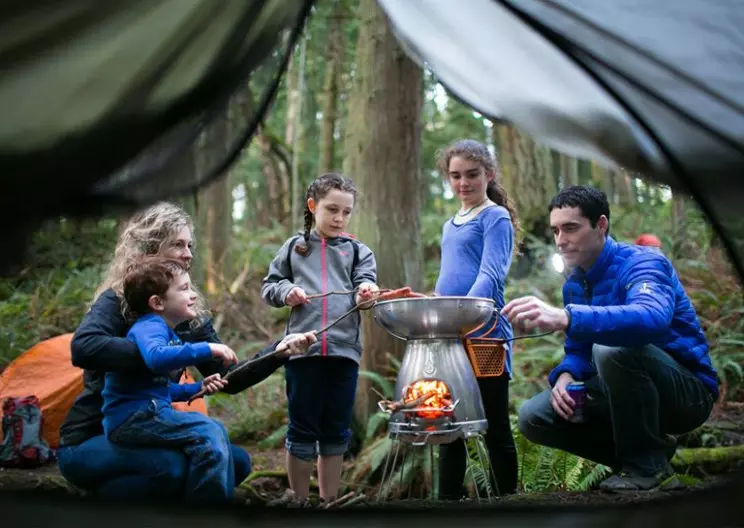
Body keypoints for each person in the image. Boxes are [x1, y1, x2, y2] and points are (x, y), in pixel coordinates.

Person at [58, 201, 317, 501]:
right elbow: (84, 347)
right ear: (151, 248)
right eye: (178, 244)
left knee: (236, 461)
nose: (189, 253)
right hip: (93, 436)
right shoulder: (118, 302)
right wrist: (161, 351)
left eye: (190, 245)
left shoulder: (185, 316)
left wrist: (279, 351)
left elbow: (229, 377)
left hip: (147, 429)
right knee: (171, 468)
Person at [503, 186, 719, 492]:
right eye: (555, 231)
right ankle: (649, 463)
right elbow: (578, 350)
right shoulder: (575, 284)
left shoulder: (643, 263)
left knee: (613, 349)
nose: (560, 241)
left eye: (571, 228)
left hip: (686, 394)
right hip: (623, 390)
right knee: (534, 417)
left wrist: (567, 317)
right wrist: (566, 375)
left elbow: (650, 317)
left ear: (601, 225)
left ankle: (646, 467)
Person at [261, 173, 379, 507]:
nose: (339, 218)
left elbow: (366, 288)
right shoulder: (295, 248)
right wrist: (288, 292)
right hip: (302, 353)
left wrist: (366, 294)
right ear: (313, 207)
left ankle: (329, 502)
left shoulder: (358, 251)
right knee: (302, 427)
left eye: (346, 212)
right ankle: (298, 499)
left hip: (344, 355)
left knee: (336, 430)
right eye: (332, 210)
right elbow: (270, 286)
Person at [102, 257, 240, 502]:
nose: (193, 295)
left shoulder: (165, 330)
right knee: (207, 430)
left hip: (145, 412)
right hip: (132, 417)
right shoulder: (150, 326)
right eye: (184, 289)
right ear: (157, 302)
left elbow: (157, 387)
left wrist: (198, 388)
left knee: (216, 428)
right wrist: (206, 348)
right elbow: (157, 359)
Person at [433, 139, 519, 498]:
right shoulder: (450, 224)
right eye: (455, 176)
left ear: (489, 175)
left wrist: (463, 312)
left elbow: (491, 274)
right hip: (451, 335)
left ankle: (504, 503)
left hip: (485, 333)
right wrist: (436, 309)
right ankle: (446, 504)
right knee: (449, 424)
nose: (463, 183)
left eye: (472, 175)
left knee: (494, 423)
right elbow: (448, 276)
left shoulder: (495, 216)